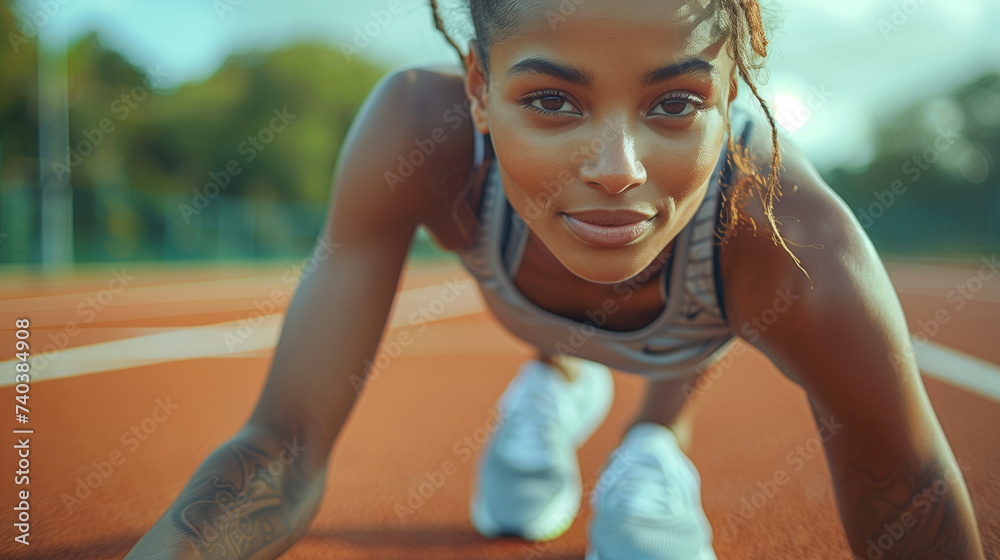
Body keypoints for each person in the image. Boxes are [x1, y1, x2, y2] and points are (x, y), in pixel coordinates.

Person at [124, 1, 986, 559]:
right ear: (478, 89)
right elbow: (284, 446)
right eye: (550, 101)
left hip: (688, 334)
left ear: (732, 98)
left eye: (677, 103)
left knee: (718, 268)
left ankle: (653, 446)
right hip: (550, 325)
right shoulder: (419, 140)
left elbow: (907, 492)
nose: (616, 170)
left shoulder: (796, 244)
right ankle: (556, 384)